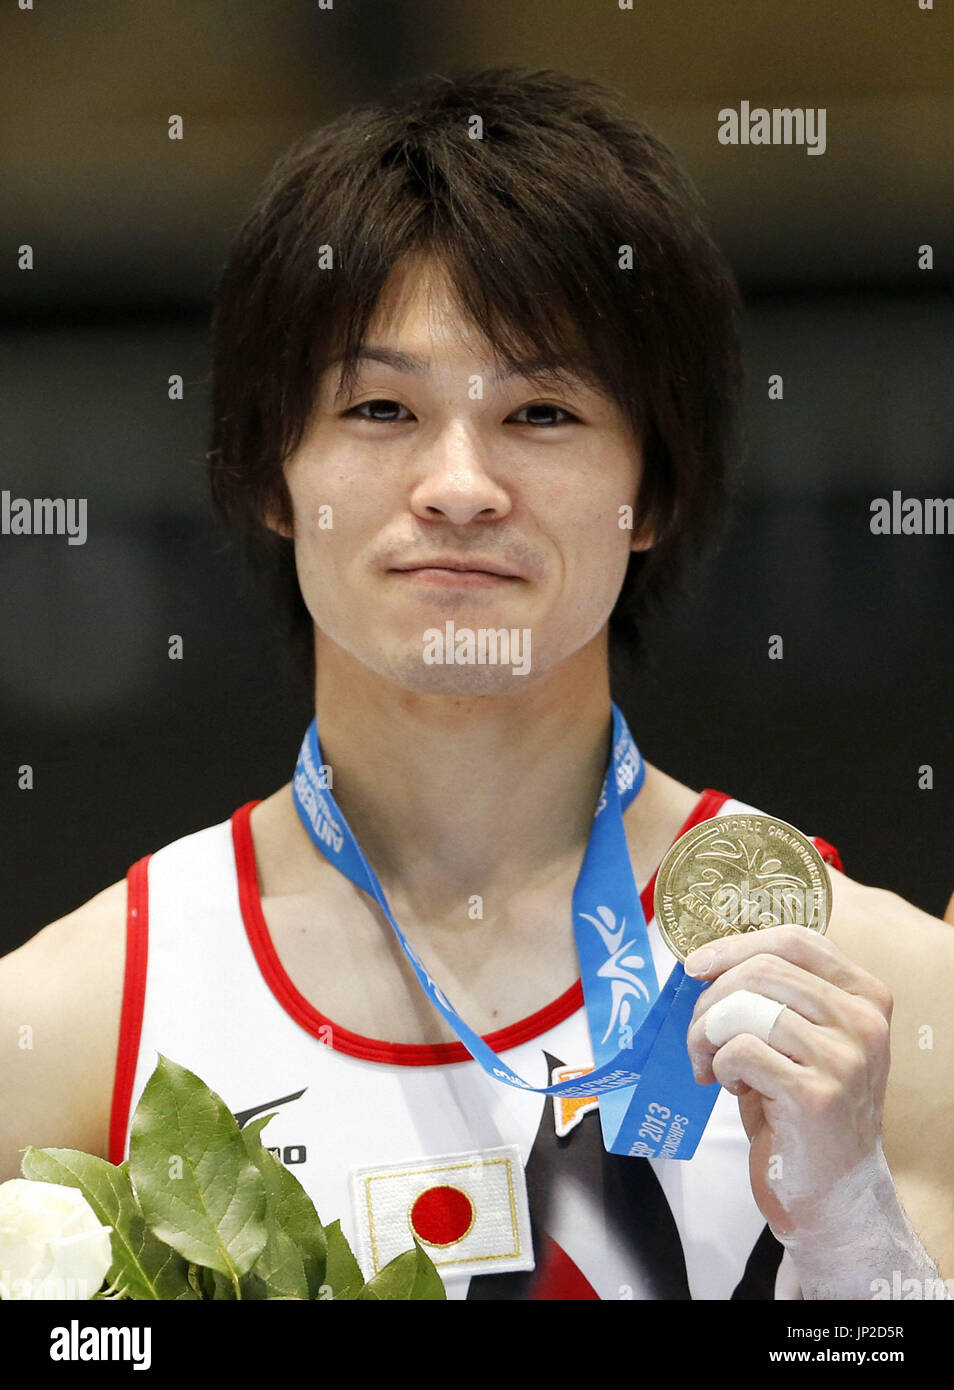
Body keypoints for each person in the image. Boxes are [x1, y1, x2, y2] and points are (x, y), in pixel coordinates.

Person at [1, 68, 950, 1302]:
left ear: (654, 488)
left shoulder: (890, 1000)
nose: (458, 484)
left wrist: (853, 1239)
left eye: (542, 410)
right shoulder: (69, 1026)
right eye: (383, 405)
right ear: (268, 474)